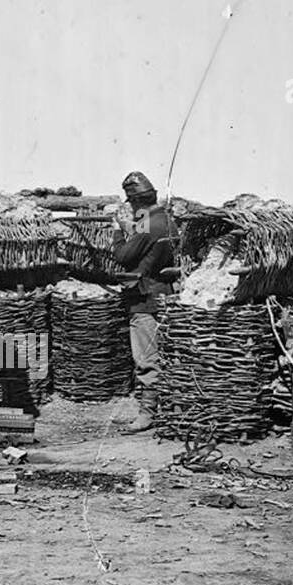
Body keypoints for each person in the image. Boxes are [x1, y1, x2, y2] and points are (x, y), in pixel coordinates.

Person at [112, 171, 176, 433]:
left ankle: (146, 415)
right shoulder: (167, 221)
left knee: (146, 358)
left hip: (144, 299)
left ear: (135, 201)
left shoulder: (148, 224)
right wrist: (134, 230)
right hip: (163, 294)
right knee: (160, 355)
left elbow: (123, 256)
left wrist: (118, 232)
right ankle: (152, 410)